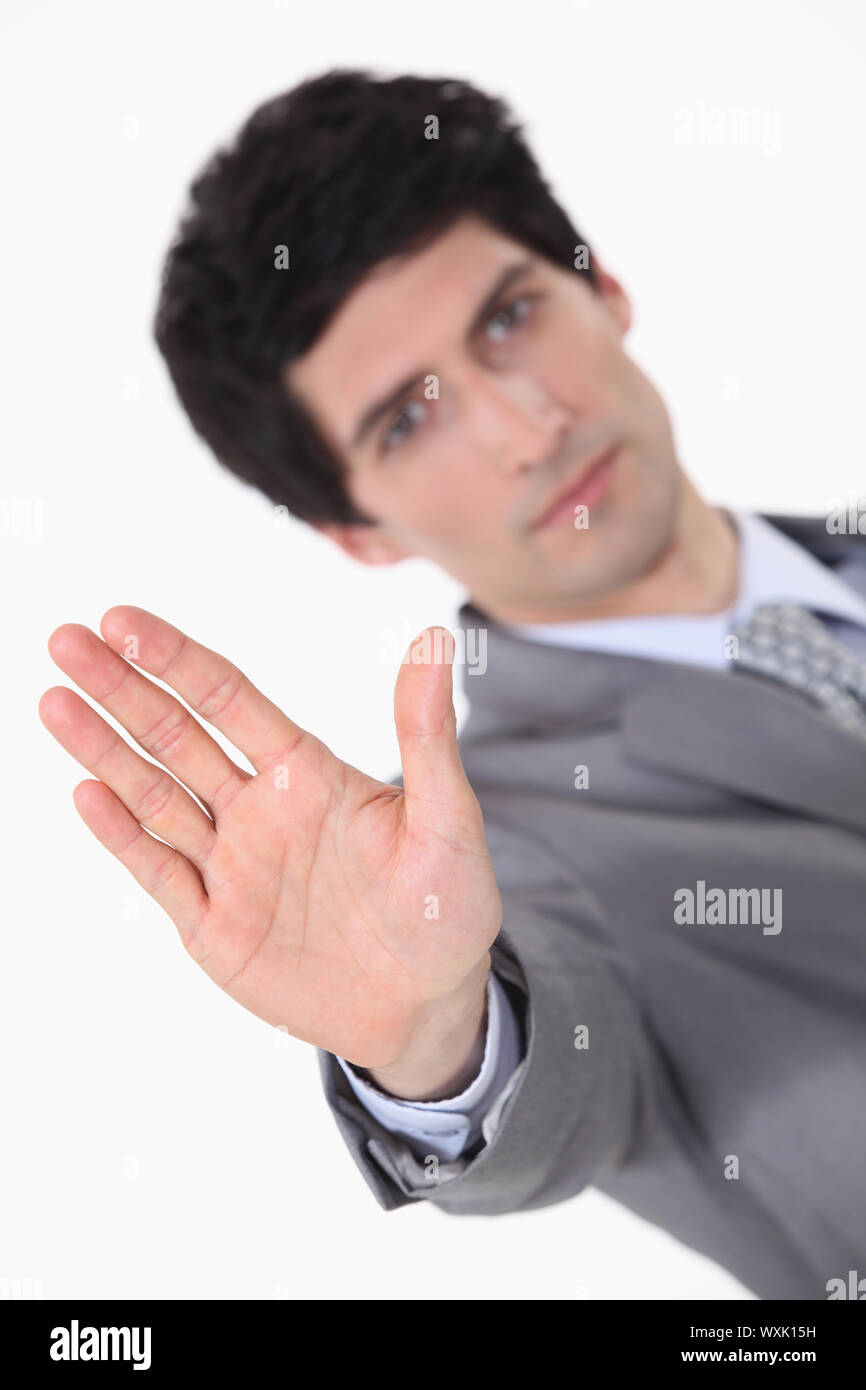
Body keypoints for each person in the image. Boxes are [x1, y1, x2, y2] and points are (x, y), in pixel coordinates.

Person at [39, 70, 866, 1301]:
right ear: (356, 531)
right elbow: (547, 1045)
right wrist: (438, 1040)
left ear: (601, 283)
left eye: (508, 319)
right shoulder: (501, 857)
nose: (524, 428)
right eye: (407, 420)